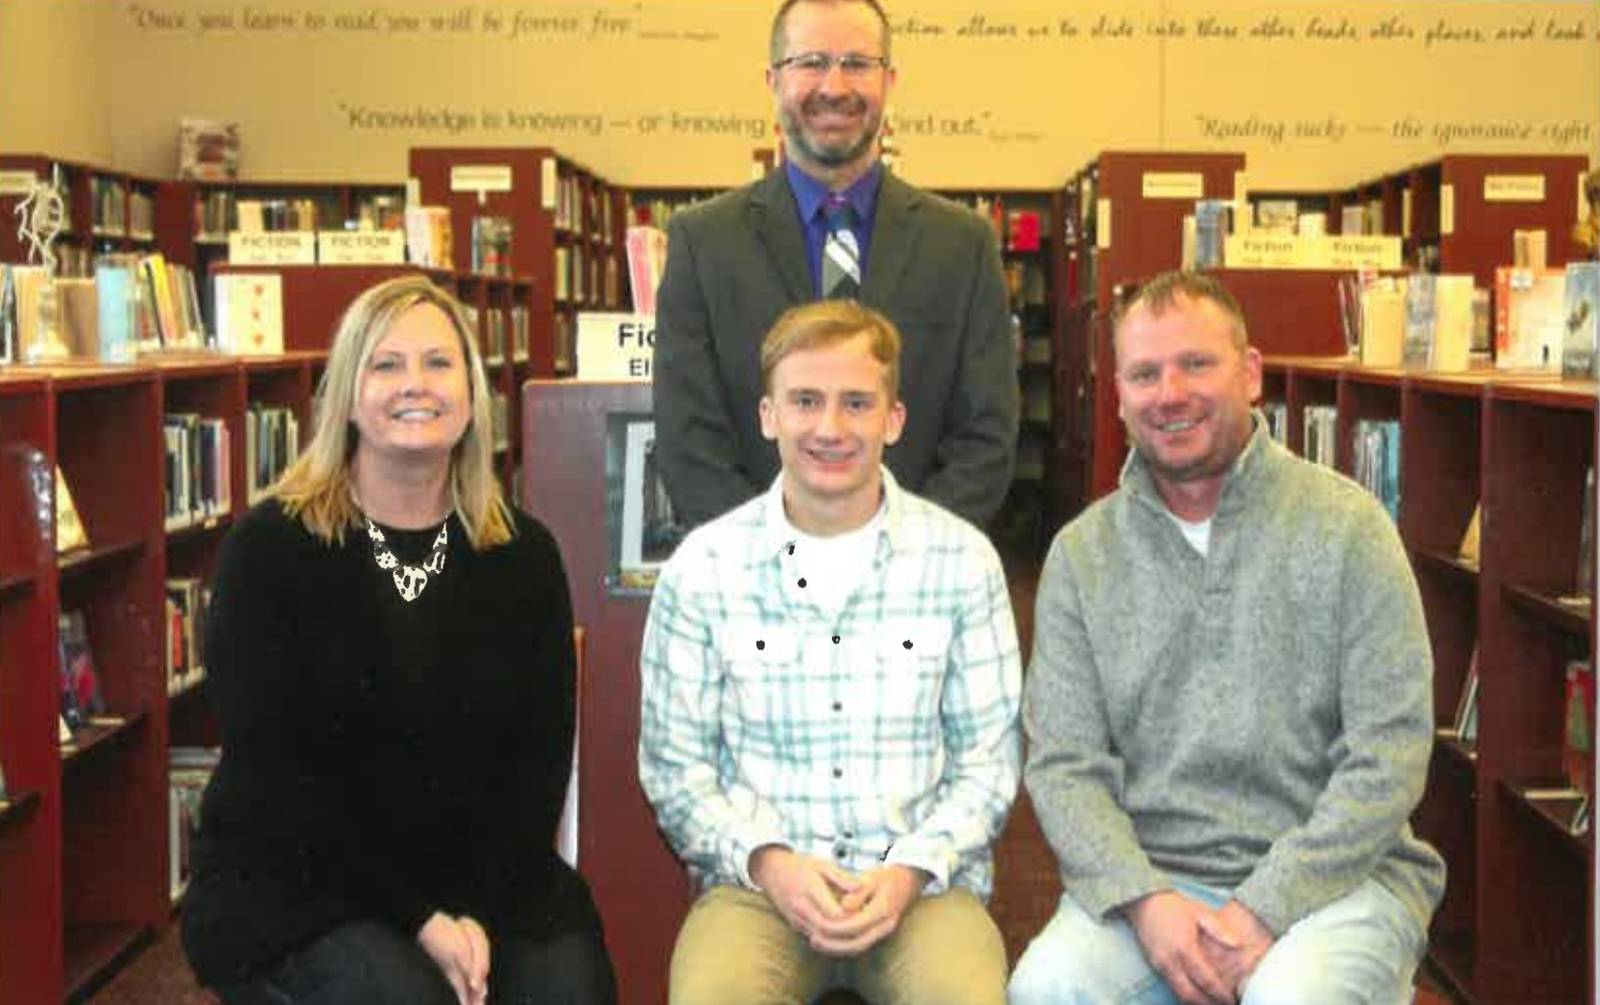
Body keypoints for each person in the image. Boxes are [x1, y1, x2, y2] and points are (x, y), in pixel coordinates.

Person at [1010, 271, 1445, 1005]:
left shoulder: (1350, 529)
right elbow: (1062, 765)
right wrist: (1145, 903)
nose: (1169, 392)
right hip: (1152, 883)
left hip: (1341, 881)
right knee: (1046, 987)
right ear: (1118, 393)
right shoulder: (1083, 555)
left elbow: (1390, 753)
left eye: (1196, 364)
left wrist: (1263, 907)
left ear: (1250, 374)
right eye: (1145, 373)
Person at [181, 275, 616, 1005]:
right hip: (304, 875)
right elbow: (278, 778)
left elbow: (537, 764)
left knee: (568, 984)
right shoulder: (269, 550)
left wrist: (472, 911)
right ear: (348, 395)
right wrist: (420, 920)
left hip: (485, 873)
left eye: (439, 363)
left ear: (473, 394)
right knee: (399, 994)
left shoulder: (522, 553)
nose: (416, 384)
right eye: (386, 364)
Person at [639, 300, 1022, 1005]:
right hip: (759, 887)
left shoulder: (963, 562)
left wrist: (909, 870)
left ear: (894, 418)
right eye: (805, 401)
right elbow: (675, 767)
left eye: (856, 402)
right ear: (768, 415)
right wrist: (771, 863)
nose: (830, 427)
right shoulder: (703, 567)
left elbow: (989, 764)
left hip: (921, 884)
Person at [652, 0, 1017, 531]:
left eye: (857, 63)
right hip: (753, 585)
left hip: (915, 586)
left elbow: (986, 438)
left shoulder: (963, 246)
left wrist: (896, 559)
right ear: (773, 80)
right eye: (812, 62)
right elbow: (689, 442)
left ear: (889, 81)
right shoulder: (701, 244)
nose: (835, 86)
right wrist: (785, 564)